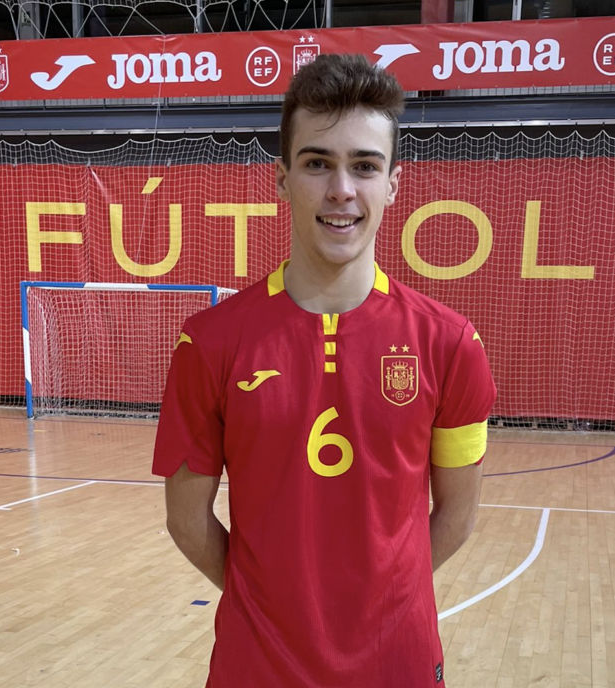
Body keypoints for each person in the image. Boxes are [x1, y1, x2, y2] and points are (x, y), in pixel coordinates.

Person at [152, 53, 496, 688]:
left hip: (399, 661)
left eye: (365, 165)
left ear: (395, 183)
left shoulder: (451, 344)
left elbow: (457, 517)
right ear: (281, 179)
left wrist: (378, 601)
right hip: (257, 665)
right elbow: (185, 518)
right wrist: (274, 602)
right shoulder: (209, 342)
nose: (342, 189)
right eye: (318, 163)